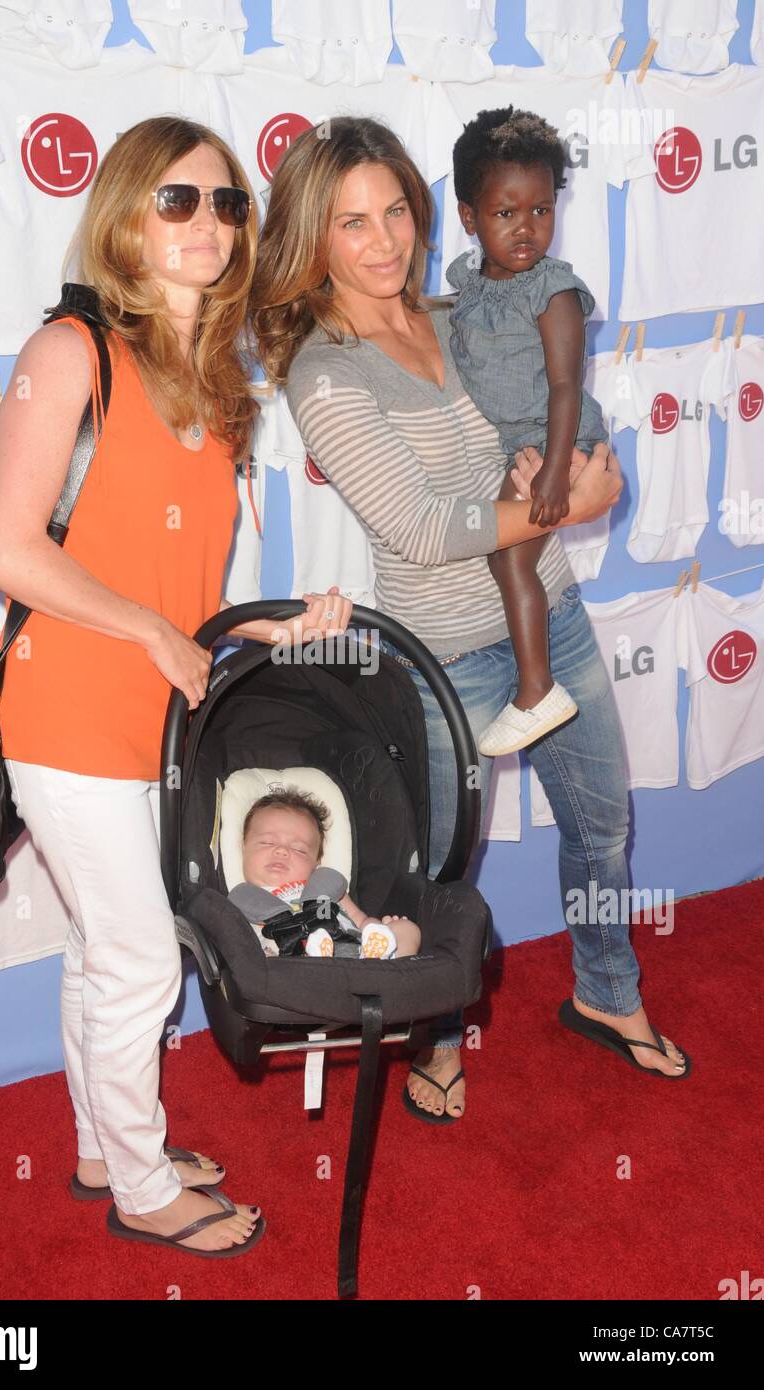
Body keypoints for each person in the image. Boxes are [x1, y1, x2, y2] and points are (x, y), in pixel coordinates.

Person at [250, 115, 690, 1123]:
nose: (381, 242)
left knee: (604, 826)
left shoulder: (460, 312)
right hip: (444, 658)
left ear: (421, 208)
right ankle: (435, 1034)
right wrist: (565, 506)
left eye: (393, 211)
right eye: (349, 222)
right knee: (441, 868)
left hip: (554, 614)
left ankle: (604, 991)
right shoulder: (327, 371)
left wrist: (585, 467)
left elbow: (546, 405)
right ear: (313, 237)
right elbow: (419, 524)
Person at [0, 116, 353, 1257]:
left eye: (227, 202)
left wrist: (271, 621)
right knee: (141, 956)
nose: (208, 223)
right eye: (177, 200)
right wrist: (150, 628)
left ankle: (104, 1146)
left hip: (154, 723)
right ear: (127, 217)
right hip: (63, 712)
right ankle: (141, 1188)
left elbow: (175, 587)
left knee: (104, 950)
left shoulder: (214, 380)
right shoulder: (70, 352)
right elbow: (10, 553)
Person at [446, 105, 610, 758]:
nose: (526, 229)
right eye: (505, 213)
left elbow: (567, 386)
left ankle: (535, 688)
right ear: (470, 217)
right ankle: (536, 683)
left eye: (541, 211)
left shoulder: (554, 290)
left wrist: (553, 466)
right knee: (502, 555)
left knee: (508, 556)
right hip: (523, 448)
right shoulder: (469, 287)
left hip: (559, 442)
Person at [229, 788, 421, 959]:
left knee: (408, 929)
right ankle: (316, 957)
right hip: (293, 963)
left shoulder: (325, 887)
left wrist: (377, 927)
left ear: (316, 862)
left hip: (356, 952)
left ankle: (381, 960)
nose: (282, 851)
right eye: (267, 843)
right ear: (244, 848)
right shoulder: (243, 904)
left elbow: (361, 920)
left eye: (299, 849)